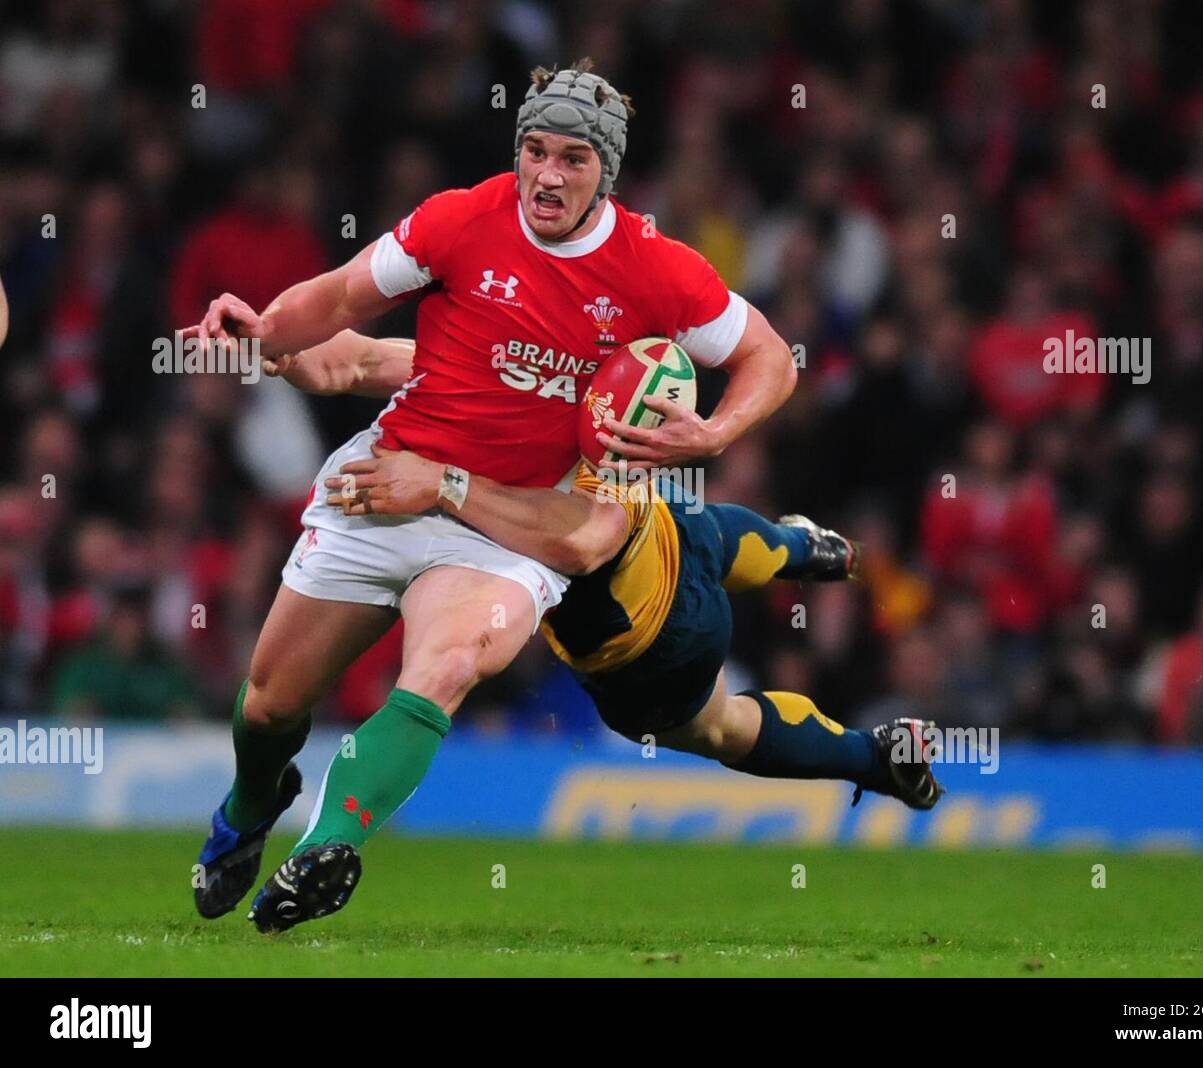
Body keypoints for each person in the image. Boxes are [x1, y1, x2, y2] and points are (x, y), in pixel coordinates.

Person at [182, 61, 797, 928]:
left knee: (449, 661)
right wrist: (265, 328)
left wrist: (717, 432)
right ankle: (252, 801)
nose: (547, 175)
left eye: (573, 159)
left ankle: (327, 847)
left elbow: (769, 356)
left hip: (508, 523)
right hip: (388, 476)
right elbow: (345, 295)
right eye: (535, 151)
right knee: (272, 701)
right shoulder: (461, 219)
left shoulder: (658, 270)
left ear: (605, 172)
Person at [242, 330, 942, 931]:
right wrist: (278, 344)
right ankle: (813, 552)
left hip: (652, 645)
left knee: (721, 726)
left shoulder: (592, 455)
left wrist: (444, 485)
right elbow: (375, 357)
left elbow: (578, 543)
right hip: (678, 535)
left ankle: (870, 757)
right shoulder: (542, 375)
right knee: (721, 536)